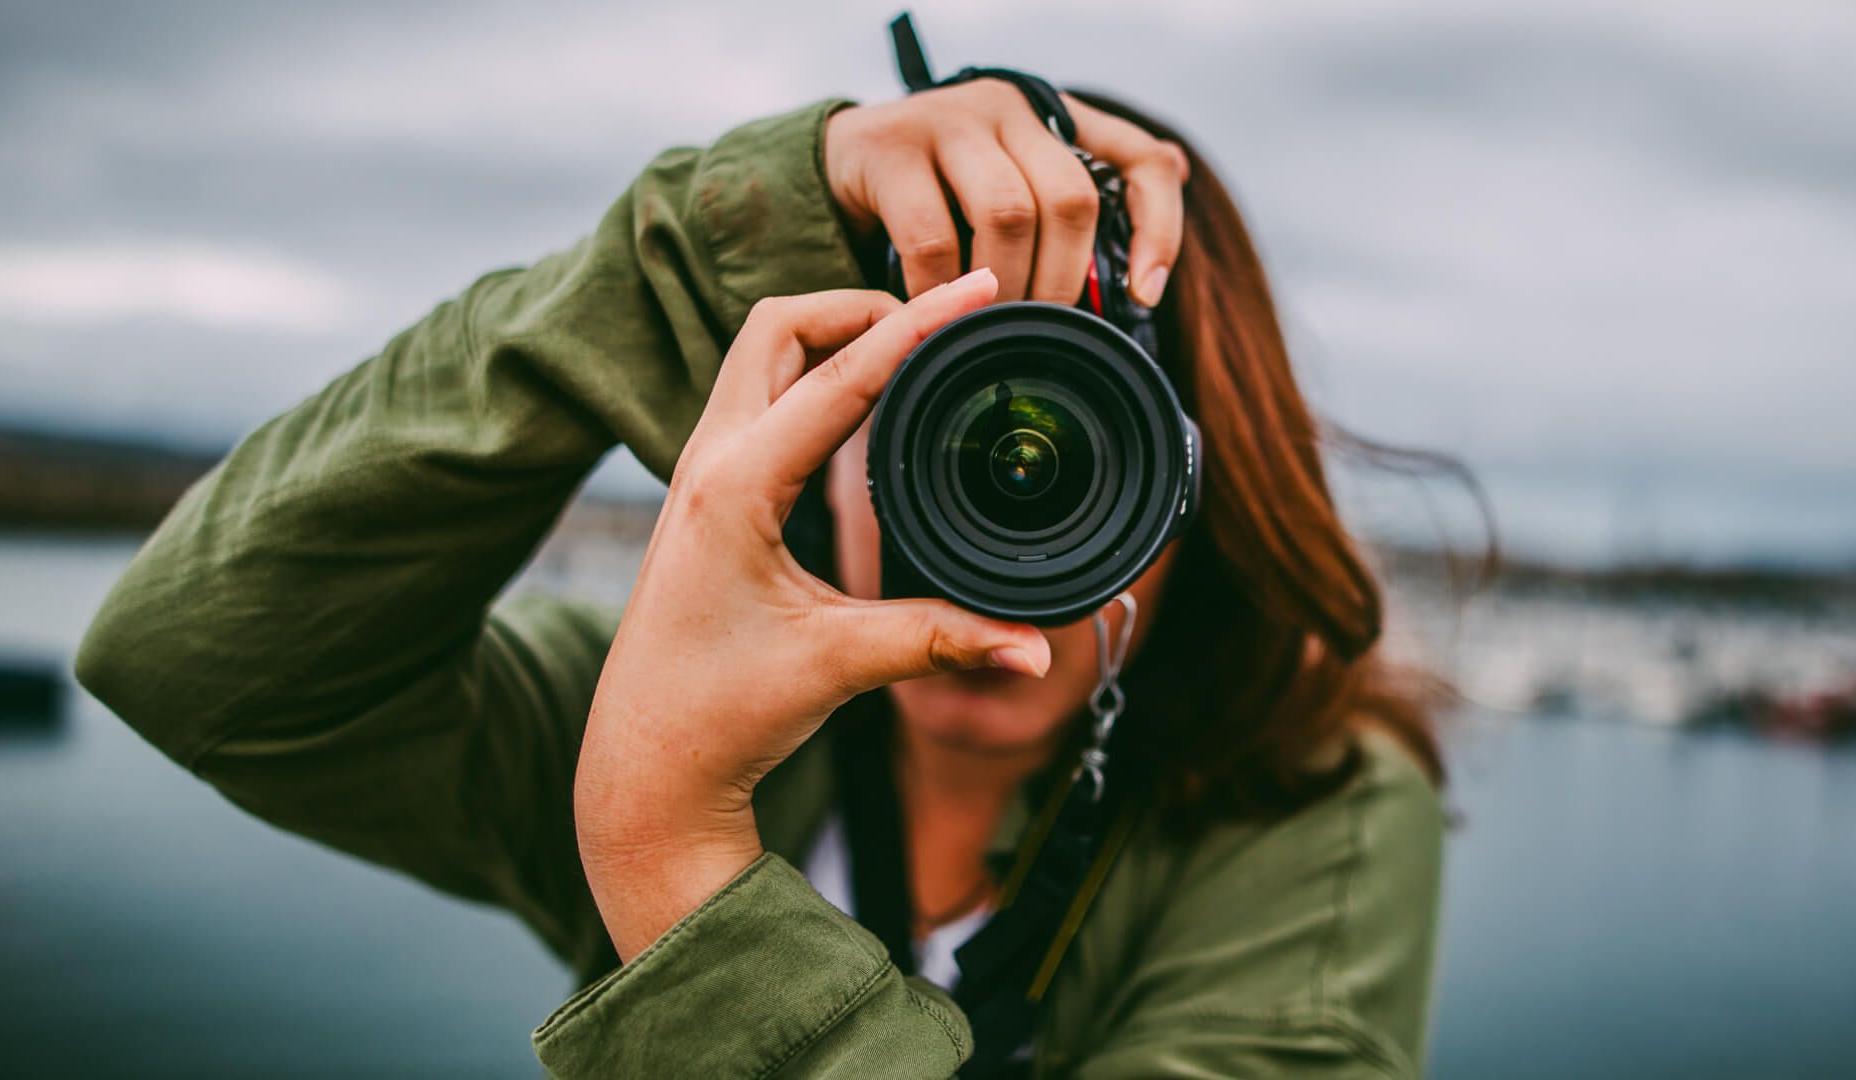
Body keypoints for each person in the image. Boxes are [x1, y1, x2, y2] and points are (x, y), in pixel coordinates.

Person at [78, 79, 1446, 1078]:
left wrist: (672, 855)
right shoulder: (655, 703)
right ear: (816, 440)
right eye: (931, 433)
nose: (1002, 552)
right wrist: (675, 249)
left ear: (1201, 502)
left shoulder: (1313, 806)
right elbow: (196, 661)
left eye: (1090, 461)